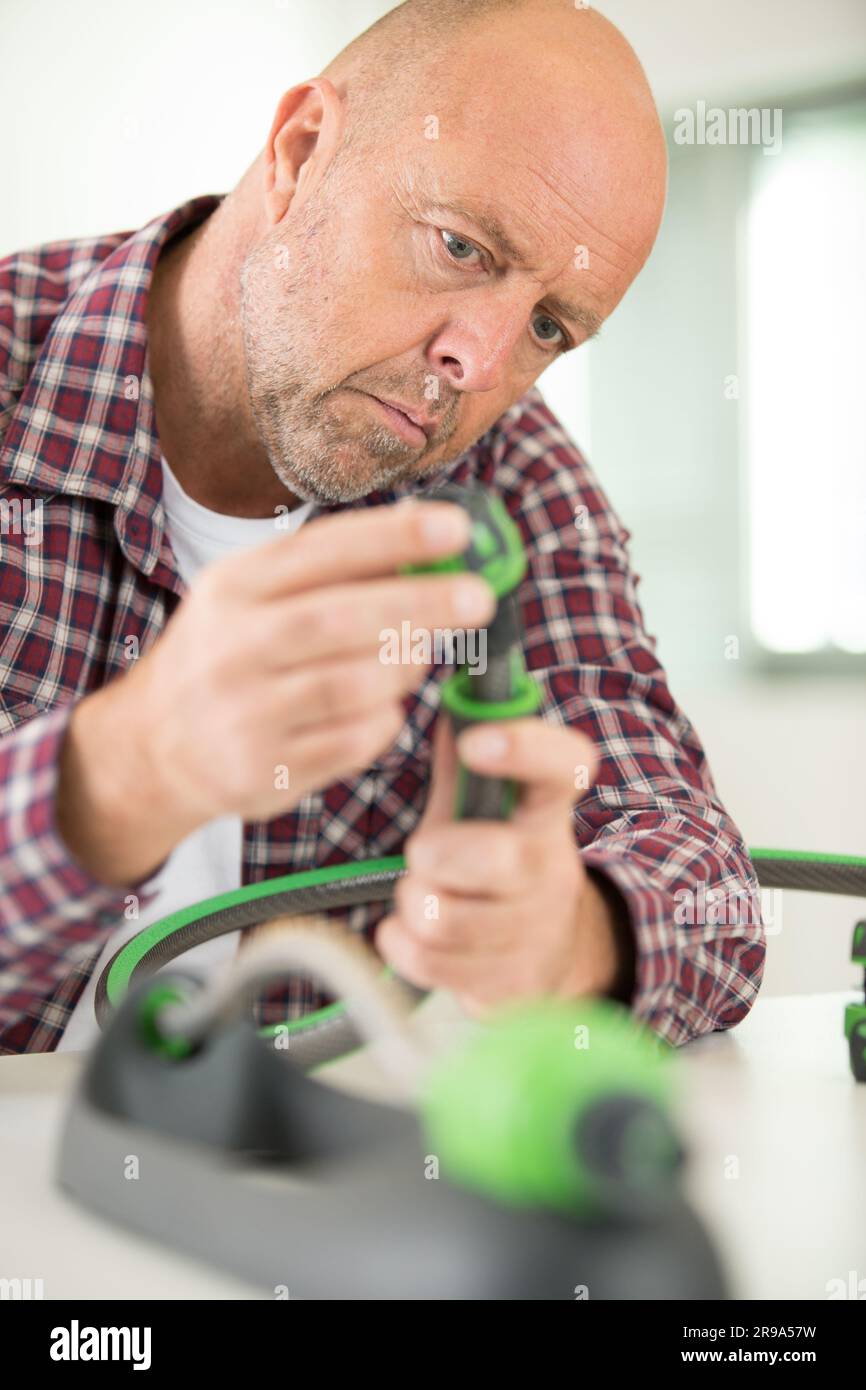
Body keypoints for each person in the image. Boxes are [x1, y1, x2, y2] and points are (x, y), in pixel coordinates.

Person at [0, 0, 764, 1055]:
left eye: (547, 325)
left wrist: (570, 938)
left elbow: (695, 866)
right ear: (302, 150)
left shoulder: (506, 476)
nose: (481, 363)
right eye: (460, 246)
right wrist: (117, 775)